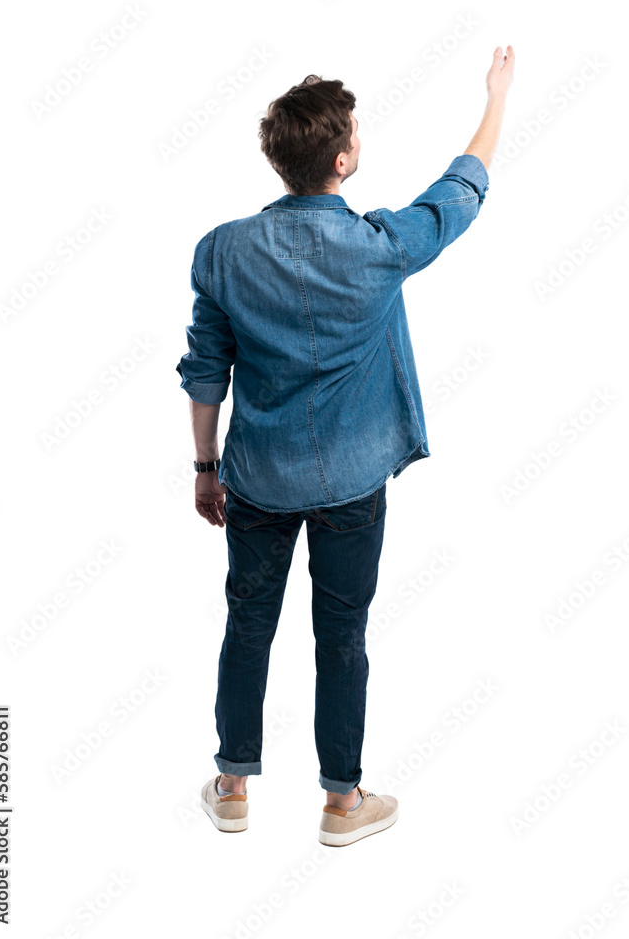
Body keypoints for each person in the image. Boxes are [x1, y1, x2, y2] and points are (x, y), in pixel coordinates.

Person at [176, 46, 515, 846]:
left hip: (255, 477)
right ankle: (341, 802)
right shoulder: (380, 246)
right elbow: (461, 190)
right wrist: (496, 95)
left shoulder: (221, 251)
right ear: (340, 159)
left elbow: (204, 370)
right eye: (355, 132)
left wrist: (203, 468)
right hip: (354, 484)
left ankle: (231, 785)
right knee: (344, 635)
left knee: (247, 624)